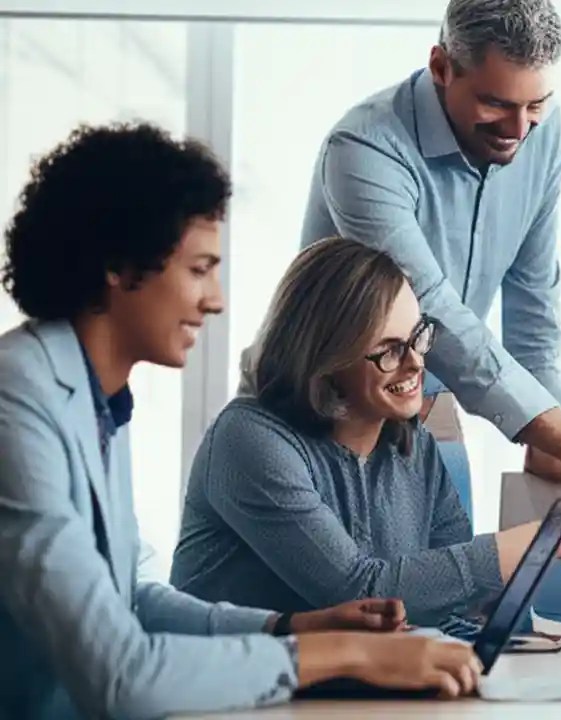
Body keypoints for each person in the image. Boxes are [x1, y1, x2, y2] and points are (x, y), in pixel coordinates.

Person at [0, 123, 483, 720]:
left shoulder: (95, 400)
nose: (216, 299)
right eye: (199, 269)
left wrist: (289, 626)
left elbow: (127, 601)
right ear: (120, 267)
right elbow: (120, 675)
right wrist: (340, 654)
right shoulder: (18, 404)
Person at [293, 0, 561, 525]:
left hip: (428, 404)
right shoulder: (365, 149)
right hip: (325, 413)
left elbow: (533, 289)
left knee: (467, 574)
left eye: (535, 104)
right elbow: (430, 310)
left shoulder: (544, 129)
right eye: (495, 103)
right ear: (441, 67)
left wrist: (552, 439)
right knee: (361, 575)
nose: (519, 128)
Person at [172, 238, 561, 630]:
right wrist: (551, 538)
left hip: (348, 696)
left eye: (418, 337)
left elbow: (452, 598)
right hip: (236, 699)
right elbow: (361, 592)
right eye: (389, 349)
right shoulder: (248, 440)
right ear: (324, 358)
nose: (415, 364)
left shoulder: (414, 444)